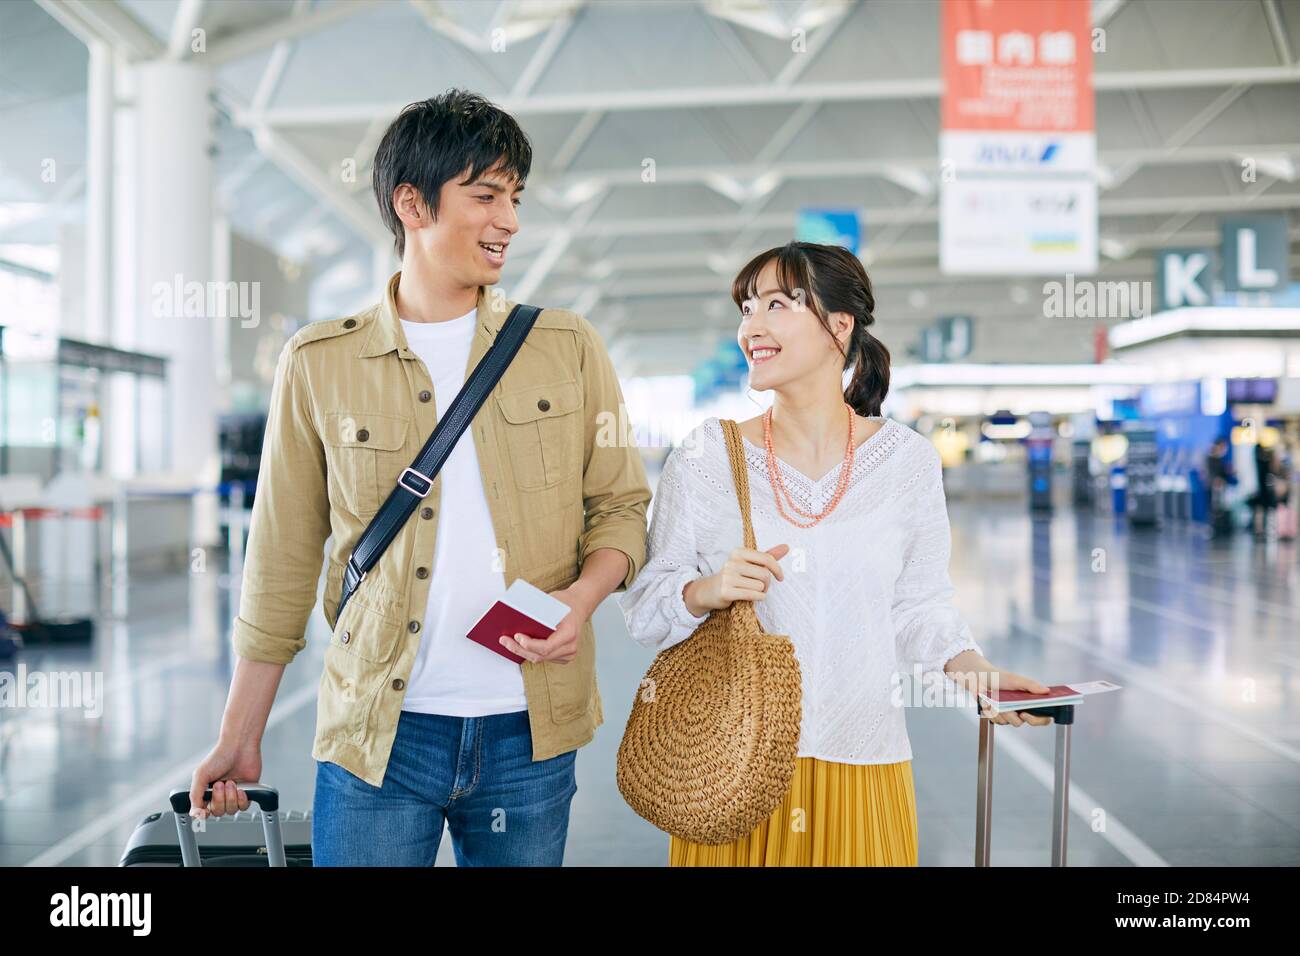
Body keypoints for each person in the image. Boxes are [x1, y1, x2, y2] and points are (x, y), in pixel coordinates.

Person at [189, 90, 651, 866]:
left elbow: (621, 507)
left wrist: (583, 597)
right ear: (413, 204)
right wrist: (239, 737)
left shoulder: (565, 347)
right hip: (377, 738)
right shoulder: (320, 362)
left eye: (515, 198)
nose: (509, 220)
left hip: (527, 736)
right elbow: (280, 562)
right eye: (486, 196)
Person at [620, 241, 1051, 866]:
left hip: (865, 761)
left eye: (775, 305)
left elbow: (919, 607)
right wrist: (707, 591)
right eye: (746, 309)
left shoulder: (906, 462)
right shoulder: (707, 457)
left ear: (838, 326)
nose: (752, 327)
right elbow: (645, 608)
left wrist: (977, 674)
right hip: (735, 769)